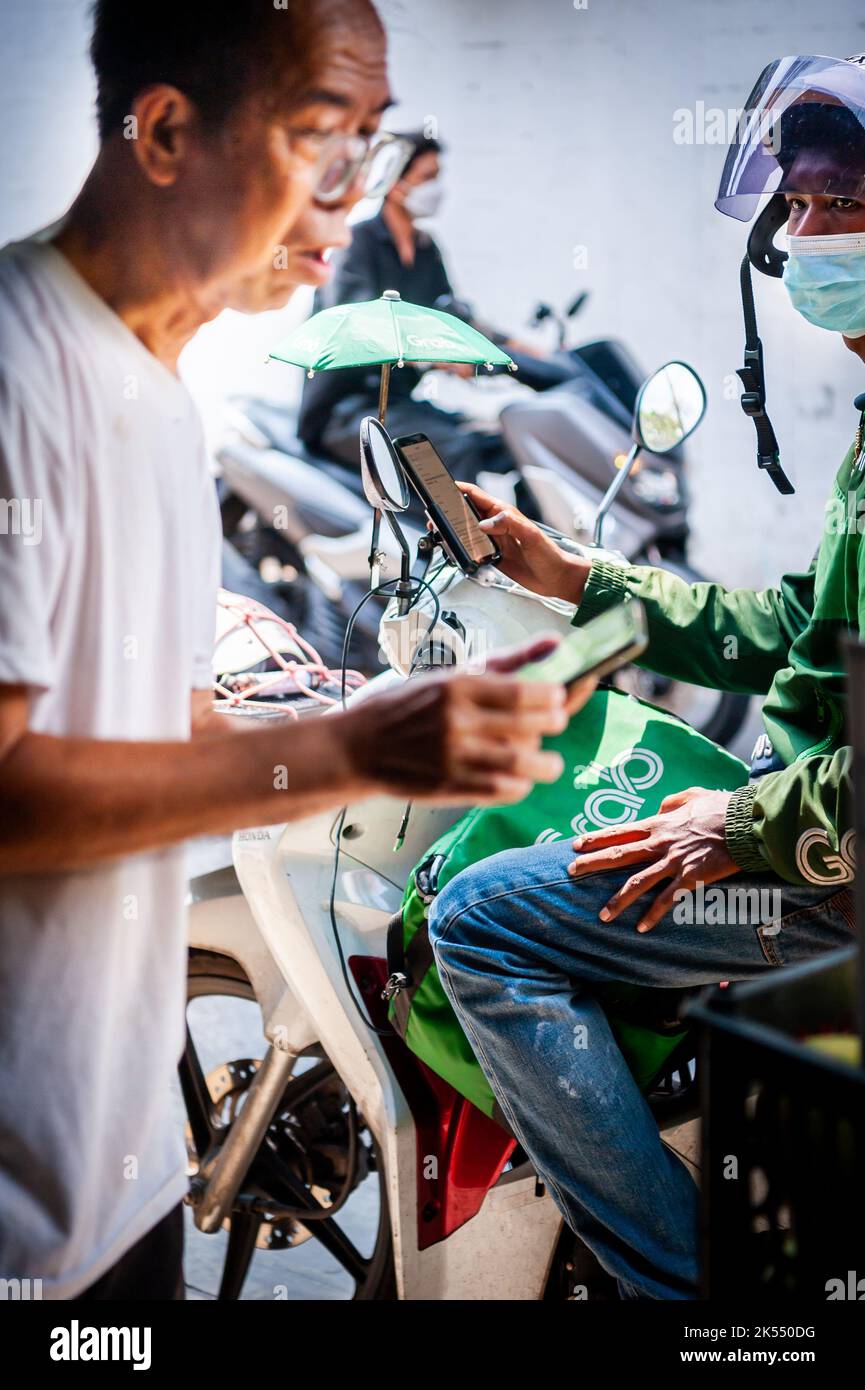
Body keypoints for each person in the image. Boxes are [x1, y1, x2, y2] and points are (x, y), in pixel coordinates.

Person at [0, 0, 573, 1301]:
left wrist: (375, 732)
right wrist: (351, 744)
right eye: (324, 137)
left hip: (116, 1173)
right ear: (162, 131)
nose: (349, 197)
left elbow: (182, 746)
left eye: (371, 146)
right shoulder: (17, 362)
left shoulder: (156, 393)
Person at [428, 53, 865, 1300]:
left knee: (482, 921)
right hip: (806, 817)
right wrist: (581, 578)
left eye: (843, 202)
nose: (810, 232)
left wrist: (742, 821)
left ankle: (687, 1295)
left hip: (826, 882)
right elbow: (788, 623)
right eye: (798, 208)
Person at [297, 131, 530, 491]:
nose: (435, 188)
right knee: (454, 448)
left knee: (504, 441)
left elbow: (450, 316)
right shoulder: (357, 244)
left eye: (438, 177)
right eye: (426, 178)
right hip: (345, 410)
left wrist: (520, 349)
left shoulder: (426, 250)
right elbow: (354, 322)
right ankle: (449, 546)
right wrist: (433, 358)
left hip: (400, 403)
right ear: (395, 184)